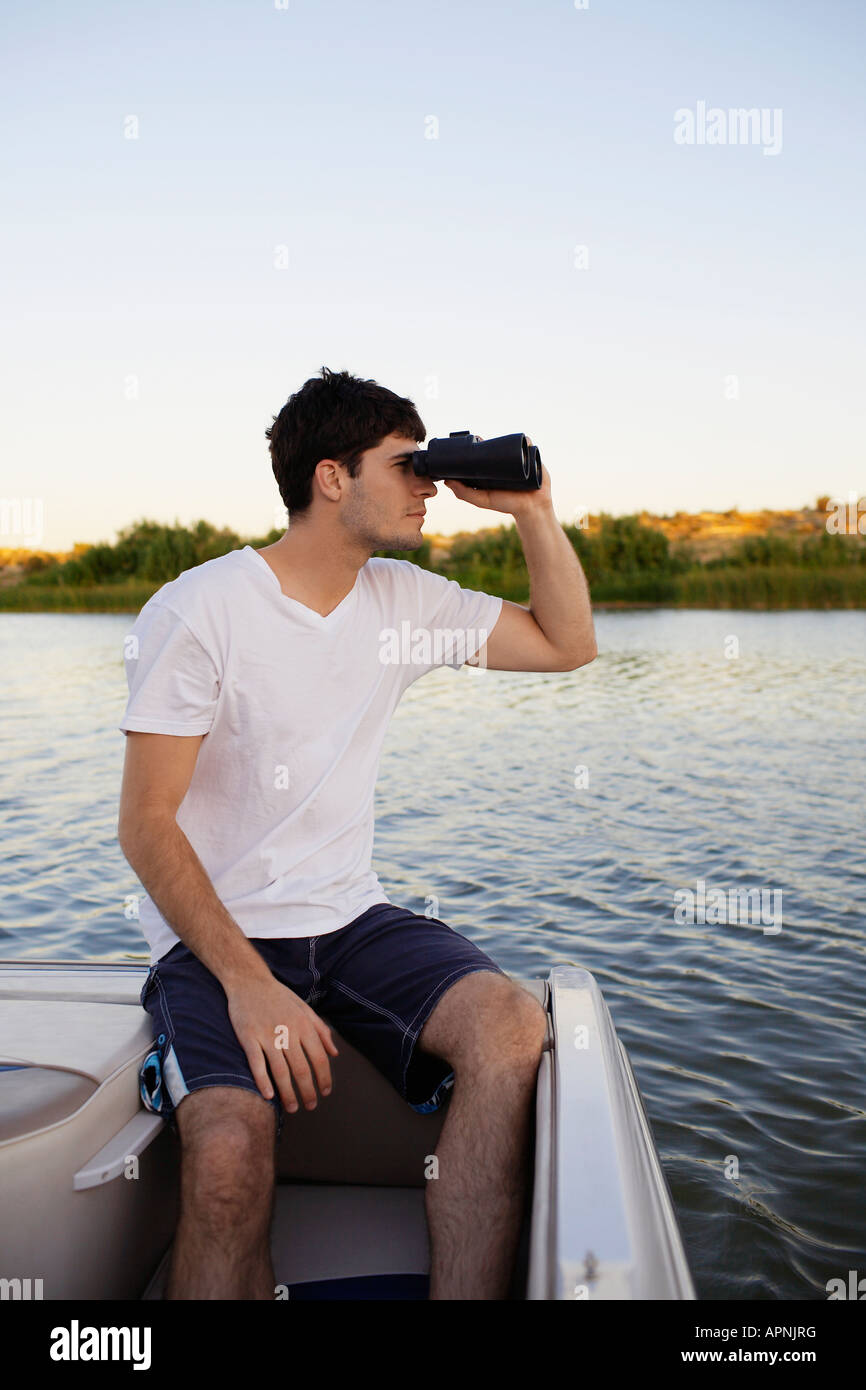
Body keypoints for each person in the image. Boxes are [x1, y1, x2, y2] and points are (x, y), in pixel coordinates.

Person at [117, 366, 597, 1300]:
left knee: (509, 1028)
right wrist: (249, 985)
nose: (427, 485)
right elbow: (145, 824)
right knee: (226, 1150)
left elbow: (566, 644)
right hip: (219, 937)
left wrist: (533, 511)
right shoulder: (200, 610)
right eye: (406, 465)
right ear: (331, 477)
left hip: (349, 919)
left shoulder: (402, 603)